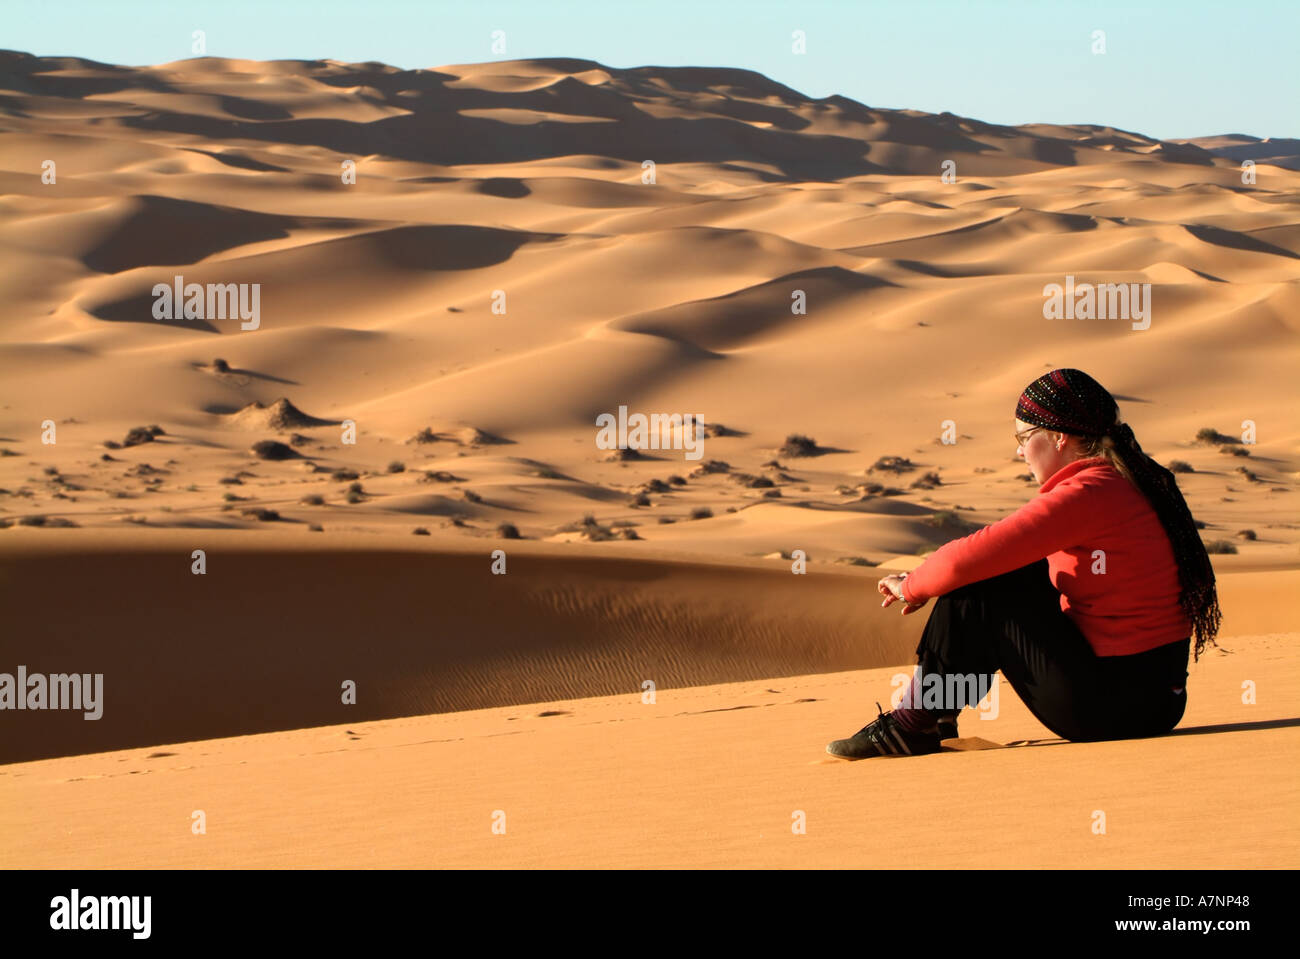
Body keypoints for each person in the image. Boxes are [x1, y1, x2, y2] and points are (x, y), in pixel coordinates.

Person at [827, 368, 1222, 759]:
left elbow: (969, 558)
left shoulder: (1091, 492)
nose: (1019, 451)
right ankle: (937, 715)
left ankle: (914, 723)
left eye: (1024, 437)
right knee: (1002, 572)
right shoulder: (1136, 478)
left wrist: (910, 585)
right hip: (1158, 702)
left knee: (981, 585)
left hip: (1111, 710)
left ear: (1059, 436)